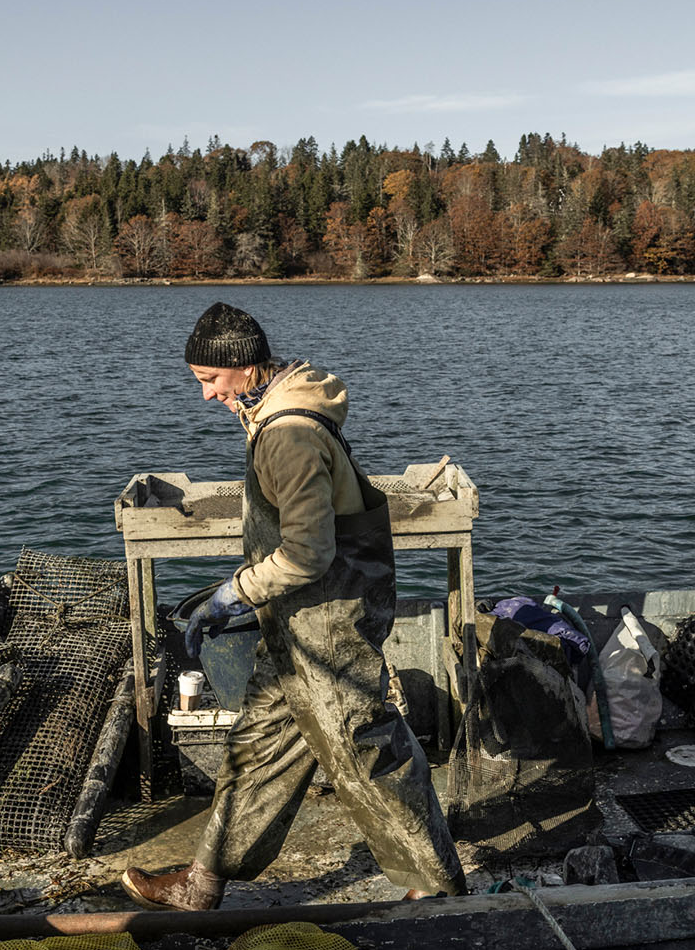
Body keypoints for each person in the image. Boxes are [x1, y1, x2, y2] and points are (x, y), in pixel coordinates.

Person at [120, 303, 465, 910]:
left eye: (210, 380)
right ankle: (203, 883)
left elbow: (307, 553)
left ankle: (436, 889)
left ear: (246, 367)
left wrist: (236, 592)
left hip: (331, 621)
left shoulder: (289, 435)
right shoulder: (273, 411)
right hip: (297, 619)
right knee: (260, 744)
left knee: (364, 748)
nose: (206, 396)